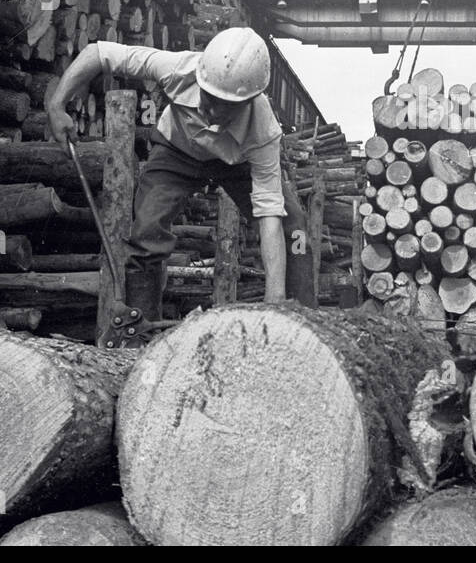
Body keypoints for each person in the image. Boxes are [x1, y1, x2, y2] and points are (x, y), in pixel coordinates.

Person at [46, 28, 293, 337]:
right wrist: (57, 105)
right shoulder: (178, 68)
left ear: (249, 101)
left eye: (223, 106)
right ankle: (140, 334)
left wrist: (275, 299)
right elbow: (99, 53)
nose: (210, 110)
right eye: (208, 97)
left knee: (294, 230)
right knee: (147, 231)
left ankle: (297, 330)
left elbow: (268, 212)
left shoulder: (264, 131)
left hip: (237, 164)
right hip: (178, 152)